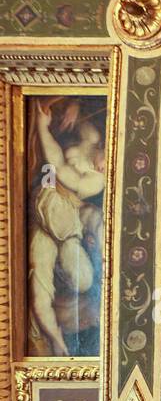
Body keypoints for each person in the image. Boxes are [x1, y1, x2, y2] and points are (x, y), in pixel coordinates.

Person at [29, 99, 105, 356]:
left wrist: (42, 127)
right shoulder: (94, 136)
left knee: (71, 281)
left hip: (57, 204)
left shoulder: (95, 182)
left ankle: (57, 342)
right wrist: (75, 107)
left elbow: (57, 167)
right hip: (52, 196)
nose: (104, 165)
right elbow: (53, 169)